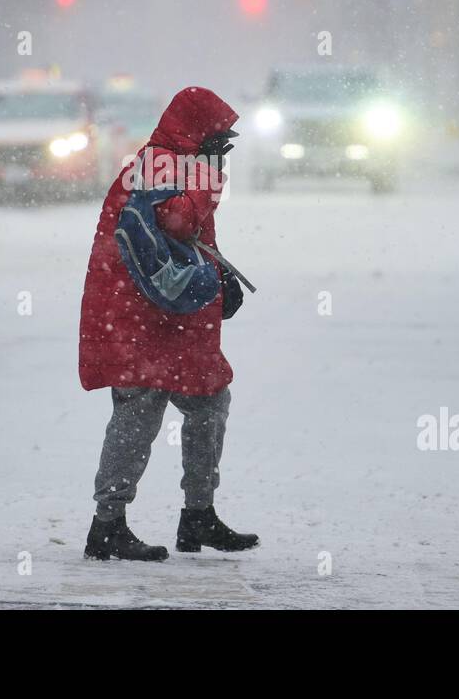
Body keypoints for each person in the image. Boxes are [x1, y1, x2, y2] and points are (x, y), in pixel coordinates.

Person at [78, 86, 259, 561]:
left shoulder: (173, 162)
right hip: (139, 310)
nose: (223, 144)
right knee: (139, 410)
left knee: (209, 401)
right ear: (196, 131)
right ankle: (108, 524)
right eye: (217, 135)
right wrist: (208, 169)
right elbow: (178, 221)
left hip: (172, 308)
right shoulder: (160, 163)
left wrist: (219, 277)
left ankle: (197, 515)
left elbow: (190, 235)